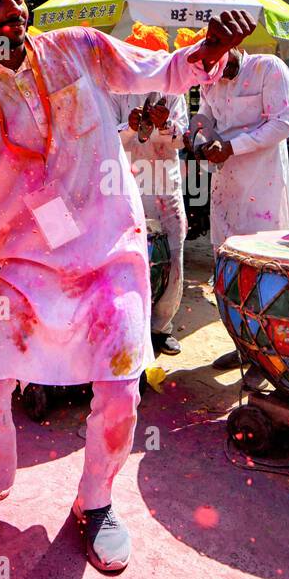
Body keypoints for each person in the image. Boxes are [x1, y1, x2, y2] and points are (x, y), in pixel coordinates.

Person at [0, 0, 253, 573]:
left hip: (110, 254)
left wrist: (205, 52)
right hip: (29, 267)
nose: (14, 12)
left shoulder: (76, 47)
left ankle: (94, 504)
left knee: (122, 394)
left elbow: (163, 70)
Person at [112, 22, 189, 356]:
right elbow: (108, 135)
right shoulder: (116, 88)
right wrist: (129, 127)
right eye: (139, 59)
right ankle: (130, 324)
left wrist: (164, 125)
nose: (146, 65)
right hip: (123, 183)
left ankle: (161, 328)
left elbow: (182, 138)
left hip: (163, 182)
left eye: (153, 60)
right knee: (128, 254)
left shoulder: (173, 91)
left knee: (173, 250)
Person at [194, 39, 289, 249]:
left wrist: (230, 148)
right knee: (227, 258)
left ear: (231, 46)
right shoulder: (208, 80)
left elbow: (281, 125)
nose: (219, 74)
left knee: (264, 260)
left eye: (221, 63)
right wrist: (197, 140)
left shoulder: (268, 67)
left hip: (262, 187)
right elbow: (203, 120)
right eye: (211, 69)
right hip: (224, 186)